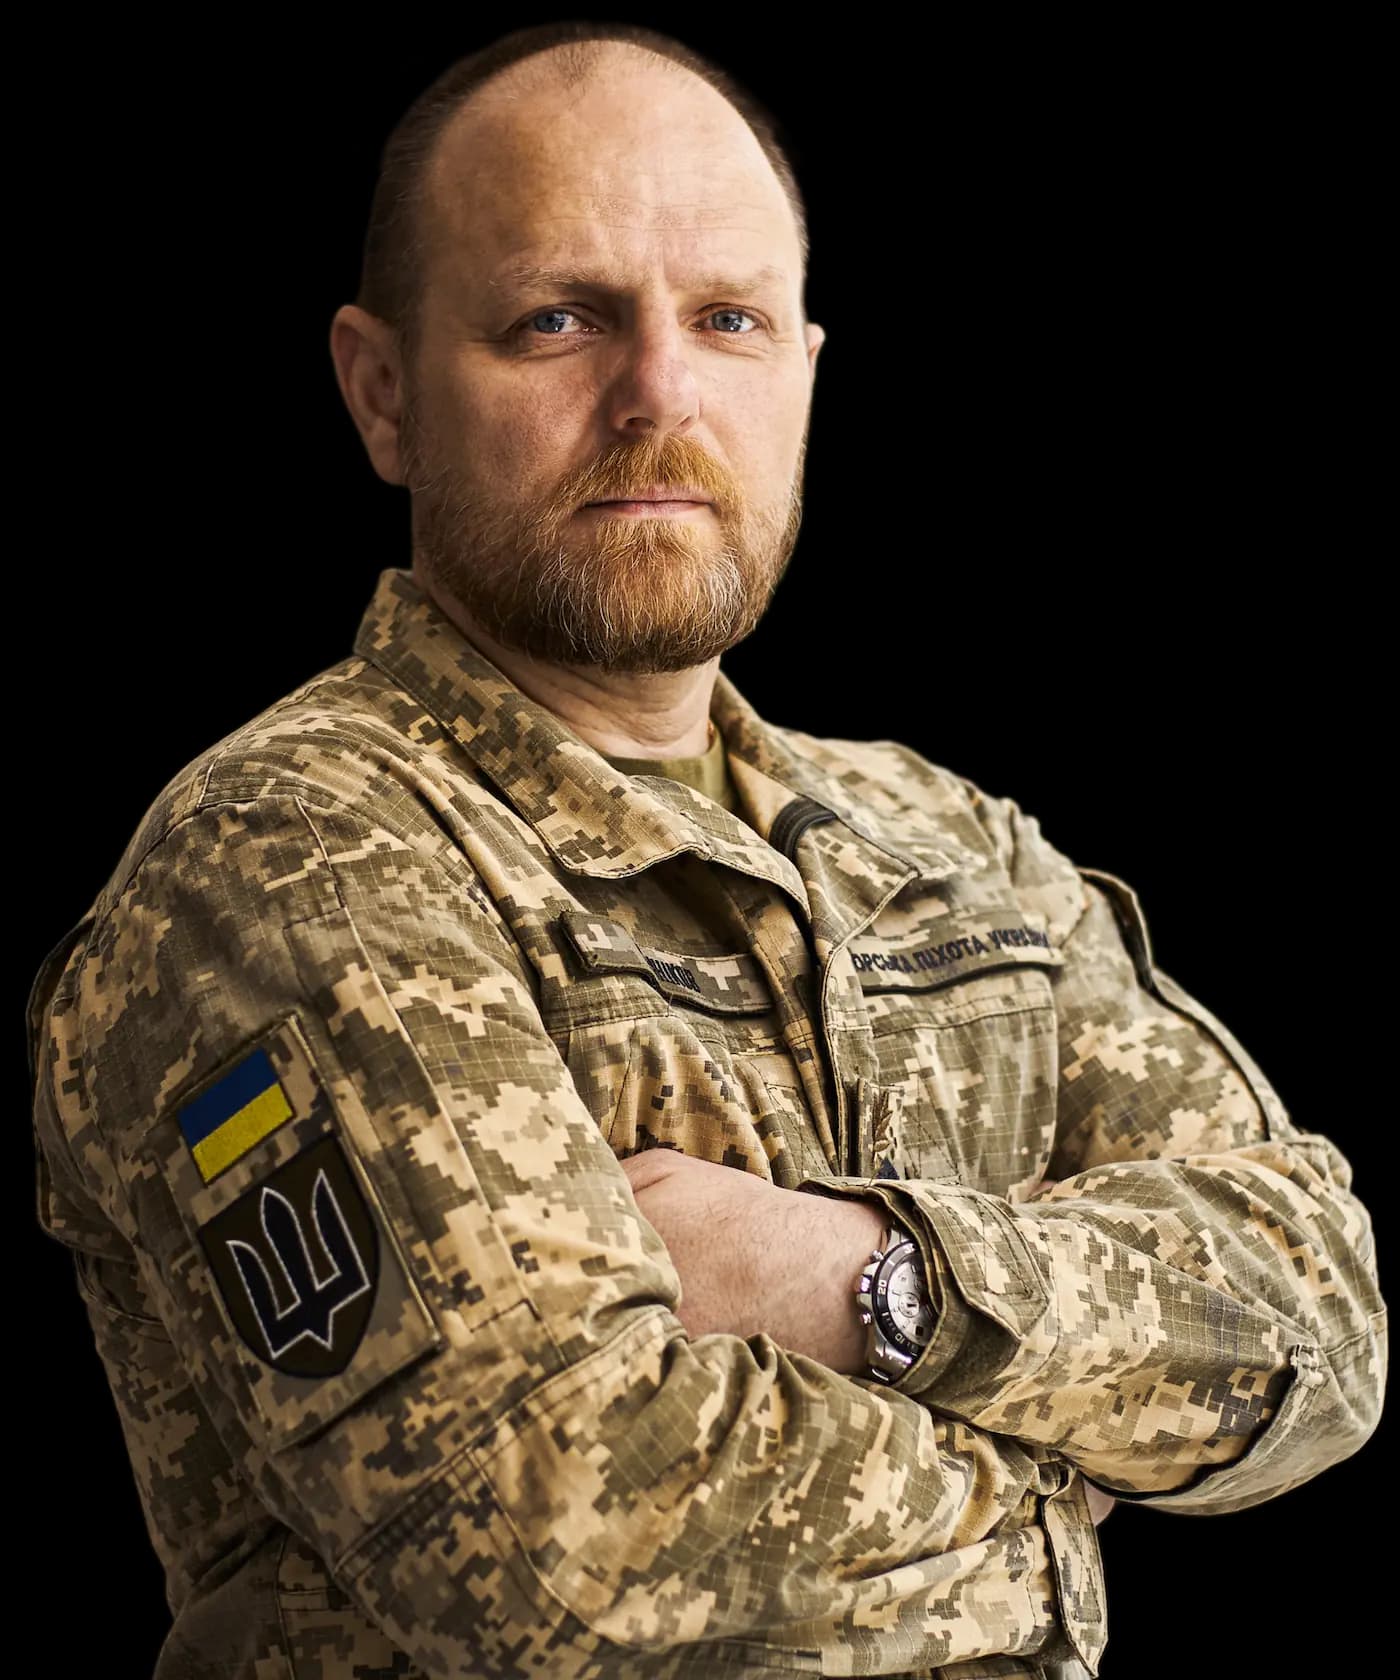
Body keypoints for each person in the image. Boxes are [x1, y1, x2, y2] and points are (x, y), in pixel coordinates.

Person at [26, 21, 1386, 1680]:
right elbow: (564, 1552)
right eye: (559, 318)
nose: (660, 392)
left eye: (727, 319)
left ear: (803, 370)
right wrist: (1068, 1487)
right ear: (383, 395)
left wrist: (870, 1278)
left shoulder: (944, 845)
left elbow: (1321, 1324)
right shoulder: (290, 860)